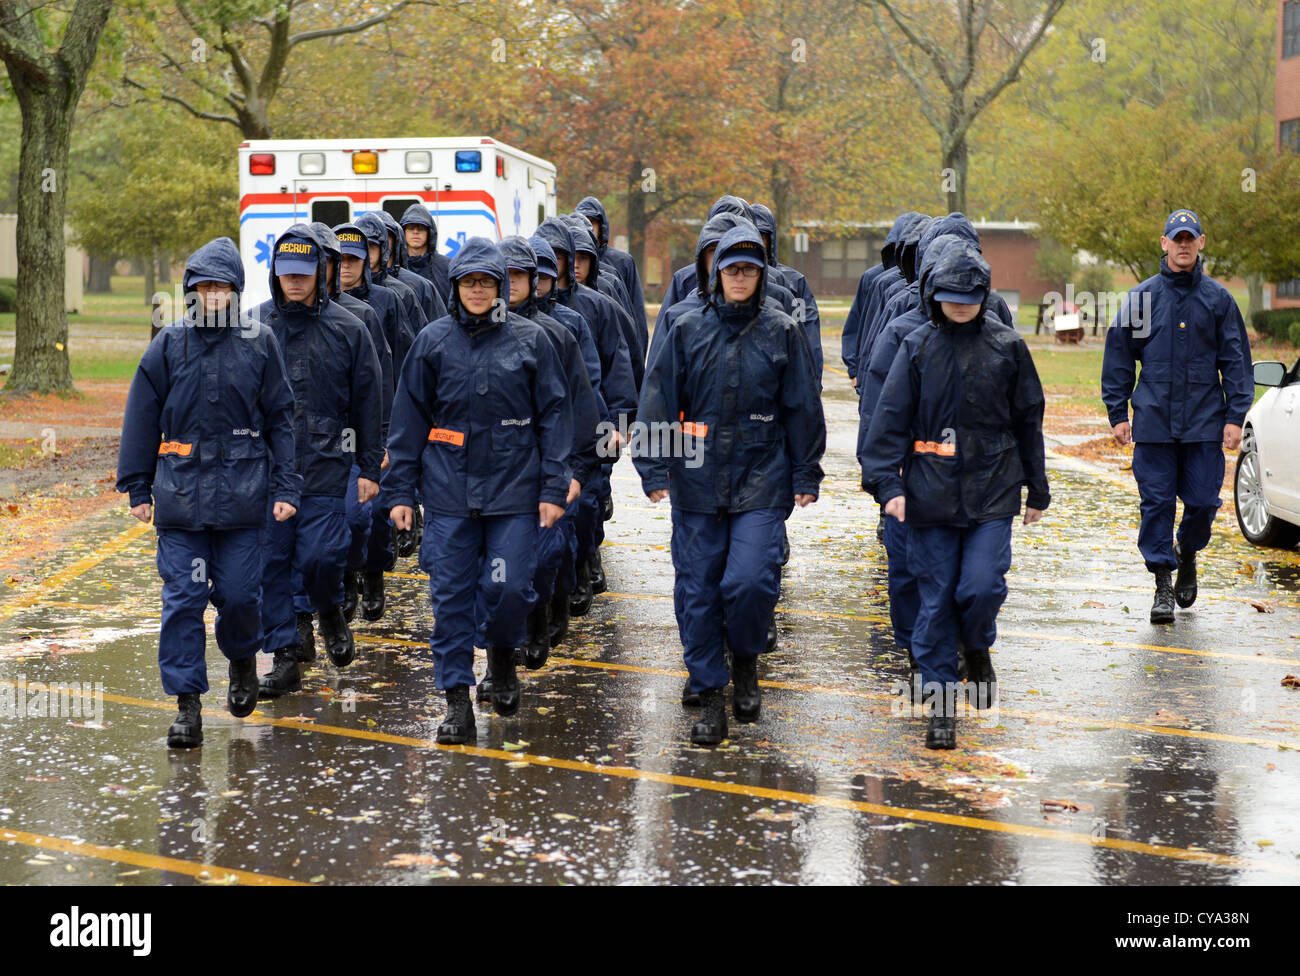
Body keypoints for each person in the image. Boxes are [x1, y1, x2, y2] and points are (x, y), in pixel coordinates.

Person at [635, 225, 825, 746]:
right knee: (698, 590)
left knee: (749, 582)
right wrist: (653, 468)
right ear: (716, 273)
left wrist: (806, 471)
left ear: (762, 274)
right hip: (696, 482)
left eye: (749, 269)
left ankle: (744, 661)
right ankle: (711, 696)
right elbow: (657, 397)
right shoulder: (685, 327)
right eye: (731, 268)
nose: (740, 277)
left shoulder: (781, 330)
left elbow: (803, 407)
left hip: (761, 478)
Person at [861, 241, 1049, 750]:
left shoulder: (1008, 347)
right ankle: (941, 709)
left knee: (981, 587)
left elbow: (1029, 419)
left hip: (994, 491)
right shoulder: (916, 347)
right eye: (951, 296)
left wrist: (1038, 488)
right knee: (936, 600)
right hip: (929, 496)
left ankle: (978, 646)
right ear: (933, 295)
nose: (961, 305)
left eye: (970, 296)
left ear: (984, 295)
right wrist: (888, 485)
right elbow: (889, 422)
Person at [384, 238, 572, 744]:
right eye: (469, 282)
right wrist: (400, 491)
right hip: (448, 496)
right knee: (450, 600)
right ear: (456, 287)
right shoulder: (432, 342)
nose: (478, 290)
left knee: (508, 588)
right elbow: (407, 421)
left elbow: (556, 417)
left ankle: (504, 659)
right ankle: (455, 700)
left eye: (487, 282)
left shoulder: (532, 341)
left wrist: (555, 486)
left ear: (500, 289)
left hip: (514, 495)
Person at [116, 237, 299, 748]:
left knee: (240, 597)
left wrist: (287, 485)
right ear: (191, 292)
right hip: (181, 499)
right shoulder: (170, 344)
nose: (212, 295)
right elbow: (141, 417)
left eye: (221, 287)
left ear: (236, 291)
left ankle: (243, 662)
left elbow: (282, 419)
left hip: (245, 502)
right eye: (203, 287)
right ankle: (187, 705)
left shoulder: (260, 343)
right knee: (182, 601)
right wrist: (137, 487)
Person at [246, 225, 384, 697]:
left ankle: (328, 610)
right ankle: (285, 654)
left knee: (321, 558)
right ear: (275, 274)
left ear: (321, 273)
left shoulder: (350, 329)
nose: (296, 282)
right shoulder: (255, 326)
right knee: (272, 565)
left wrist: (369, 468)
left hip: (328, 466)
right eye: (287, 274)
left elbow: (370, 402)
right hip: (268, 472)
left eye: (304, 273)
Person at [1101, 209, 1253, 623]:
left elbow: (1236, 362)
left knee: (1203, 502)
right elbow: (1118, 357)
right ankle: (1162, 583)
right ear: (1164, 243)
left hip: (1205, 422)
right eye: (1176, 238)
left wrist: (1236, 416)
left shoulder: (1219, 300)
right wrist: (1117, 412)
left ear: (1201, 243)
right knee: (1156, 504)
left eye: (1191, 238)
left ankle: (1187, 551)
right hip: (1153, 421)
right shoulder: (1141, 299)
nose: (1183, 245)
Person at [490, 236, 600, 684]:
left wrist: (577, 470)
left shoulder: (557, 333)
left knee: (544, 555)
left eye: (520, 275)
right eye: (505, 275)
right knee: (494, 573)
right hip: (488, 474)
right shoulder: (456, 336)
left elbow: (581, 405)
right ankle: (499, 656)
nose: (511, 284)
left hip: (546, 468)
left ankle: (542, 617)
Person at [574, 195, 648, 357]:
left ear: (601, 227)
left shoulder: (621, 263)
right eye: (582, 221)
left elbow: (636, 317)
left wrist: (637, 363)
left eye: (592, 222)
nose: (587, 226)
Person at [400, 202, 452, 304]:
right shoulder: (395, 267)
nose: (415, 231)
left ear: (429, 232)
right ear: (403, 231)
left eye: (421, 227)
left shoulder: (447, 266)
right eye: (410, 227)